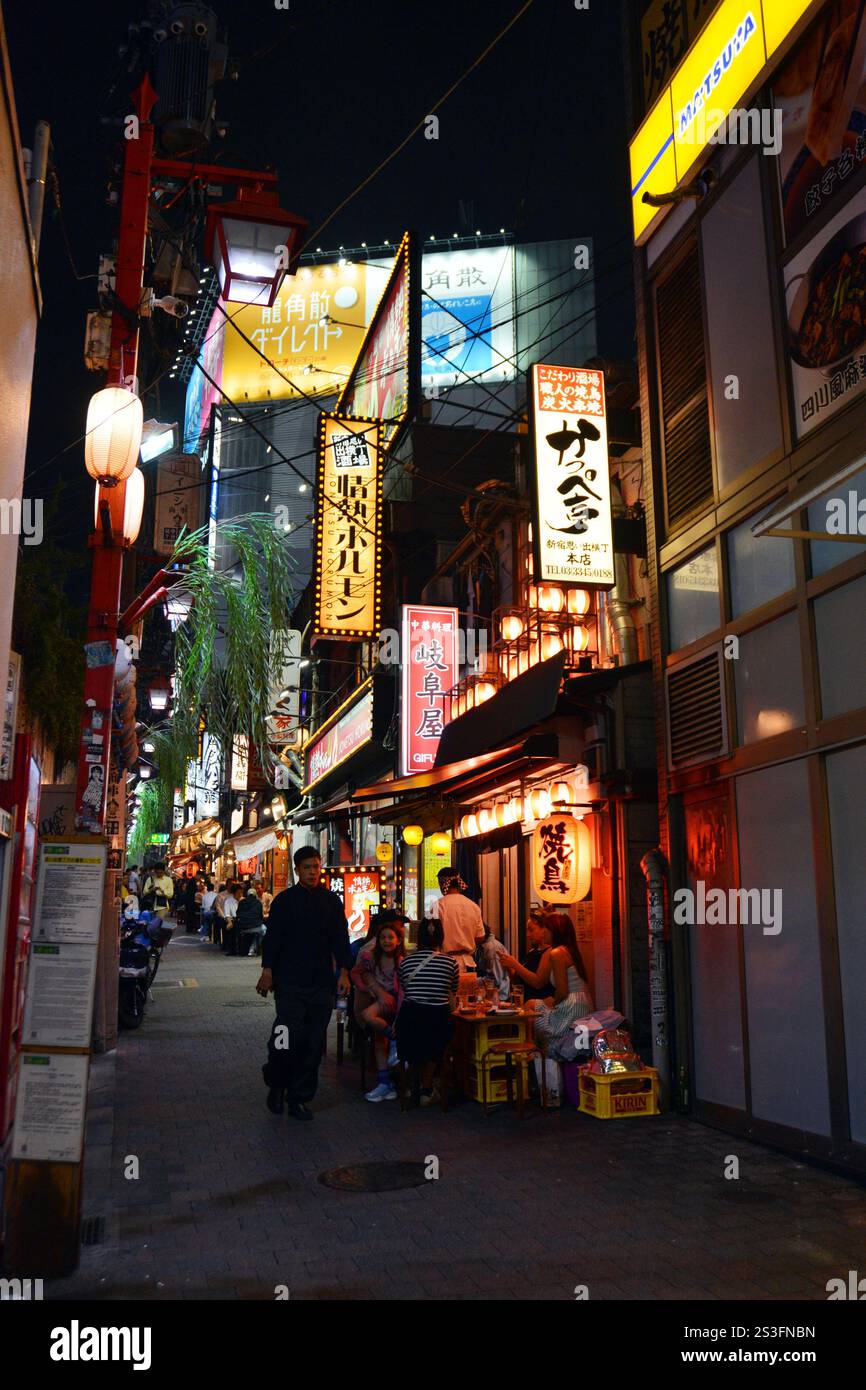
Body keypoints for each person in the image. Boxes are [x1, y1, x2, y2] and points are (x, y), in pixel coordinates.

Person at [256, 846, 351, 1120]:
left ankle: (298, 1097)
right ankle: (277, 1083)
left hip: (320, 983)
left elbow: (340, 939)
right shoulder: (284, 901)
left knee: (312, 1044)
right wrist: (267, 971)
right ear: (297, 870)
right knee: (285, 1037)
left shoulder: (331, 901)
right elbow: (272, 939)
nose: (312, 871)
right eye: (307, 867)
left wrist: (344, 971)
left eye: (316, 866)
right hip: (289, 984)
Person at [501, 912, 593, 1047]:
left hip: (571, 1007)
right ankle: (539, 1058)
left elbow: (562, 991)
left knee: (532, 1014)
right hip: (582, 1003)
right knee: (532, 1005)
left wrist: (553, 1001)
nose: (544, 933)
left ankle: (534, 1056)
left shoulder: (556, 953)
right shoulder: (569, 949)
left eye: (546, 929)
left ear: (554, 931)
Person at [395, 917, 459, 1106]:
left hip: (410, 1020)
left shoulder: (406, 962)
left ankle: (411, 1088)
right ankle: (427, 1088)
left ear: (418, 937)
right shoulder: (450, 963)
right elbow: (452, 990)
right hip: (437, 1020)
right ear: (441, 937)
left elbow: (405, 988)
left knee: (413, 1049)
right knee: (435, 1048)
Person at [351, 915, 407, 1102]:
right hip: (381, 1005)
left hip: (397, 1007)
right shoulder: (370, 957)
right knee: (372, 1025)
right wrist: (368, 988)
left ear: (398, 940)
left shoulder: (402, 962)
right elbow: (357, 972)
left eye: (391, 937)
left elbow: (403, 991)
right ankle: (393, 1039)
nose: (386, 941)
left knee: (378, 1038)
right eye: (383, 937)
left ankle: (387, 1083)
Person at [430, 868, 485, 973]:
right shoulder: (473, 906)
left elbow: (432, 936)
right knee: (466, 989)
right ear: (458, 883)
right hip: (468, 963)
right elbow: (480, 937)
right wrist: (466, 939)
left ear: (442, 884)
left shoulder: (437, 906)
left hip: (443, 963)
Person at [520, 910, 553, 1002]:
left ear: (544, 929)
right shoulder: (532, 952)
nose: (527, 935)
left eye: (531, 930)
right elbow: (520, 982)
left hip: (540, 1006)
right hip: (527, 1005)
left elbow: (538, 982)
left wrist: (515, 965)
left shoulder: (551, 952)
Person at [237, 887, 265, 956]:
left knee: (256, 932)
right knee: (264, 930)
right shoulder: (258, 903)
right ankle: (253, 949)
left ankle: (251, 949)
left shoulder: (241, 902)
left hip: (243, 927)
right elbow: (261, 916)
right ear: (255, 895)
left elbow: (238, 914)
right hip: (256, 926)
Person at [222, 882, 242, 955]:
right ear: (233, 893)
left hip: (244, 920)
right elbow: (227, 914)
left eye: (241, 892)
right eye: (238, 893)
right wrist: (229, 922)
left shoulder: (243, 900)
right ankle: (232, 949)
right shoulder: (228, 901)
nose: (240, 894)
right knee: (231, 926)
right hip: (234, 920)